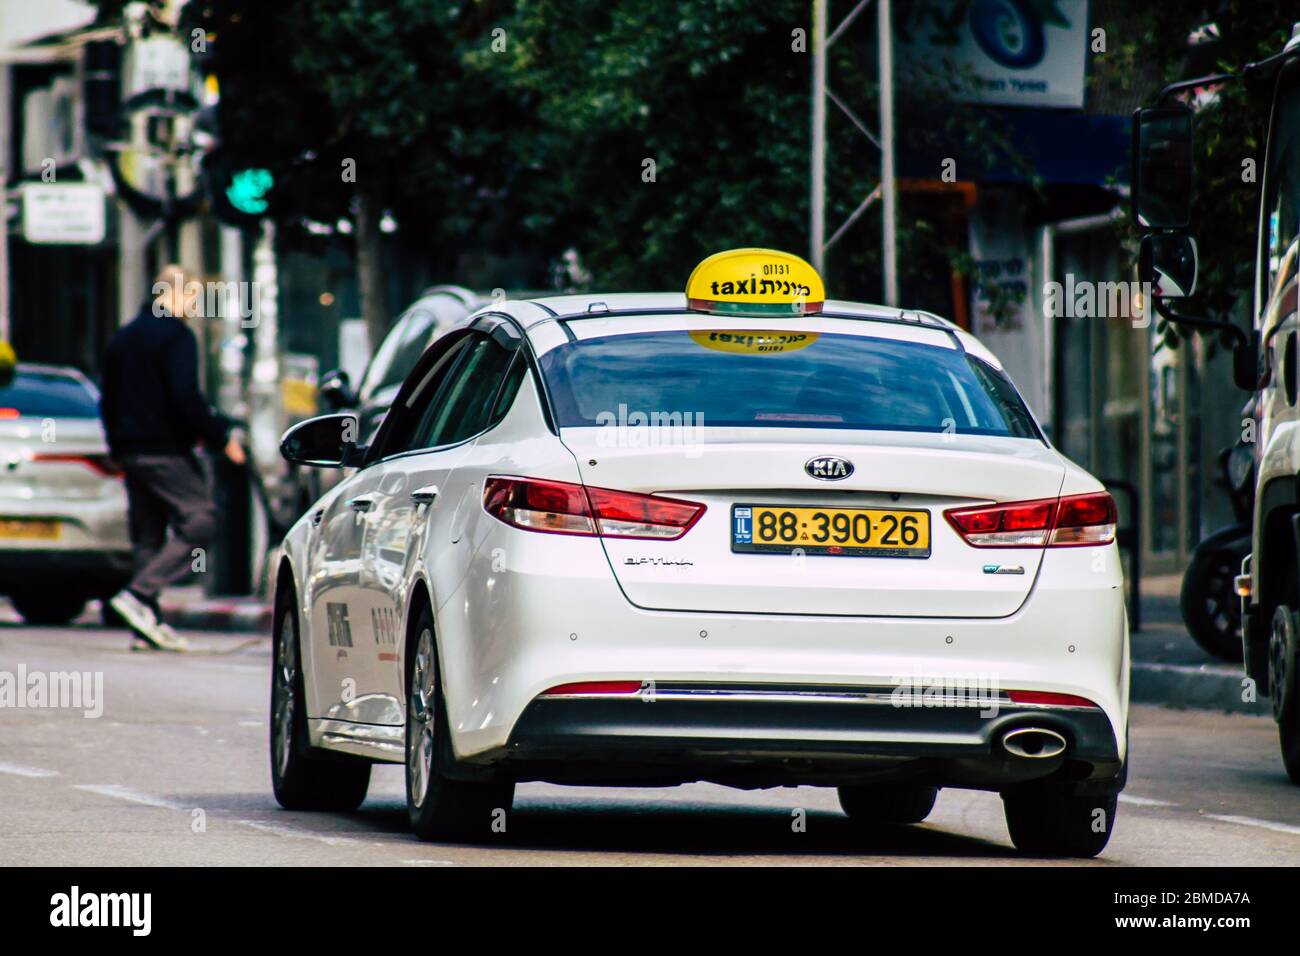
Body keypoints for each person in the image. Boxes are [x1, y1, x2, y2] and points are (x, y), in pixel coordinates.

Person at [100, 264, 246, 651]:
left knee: (148, 534)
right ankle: (139, 593)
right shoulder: (176, 336)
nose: (195, 307)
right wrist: (220, 438)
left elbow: (108, 398)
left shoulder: (123, 337)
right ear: (171, 294)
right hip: (164, 449)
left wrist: (116, 448)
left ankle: (145, 625)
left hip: (131, 452)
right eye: (193, 297)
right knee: (201, 520)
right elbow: (186, 397)